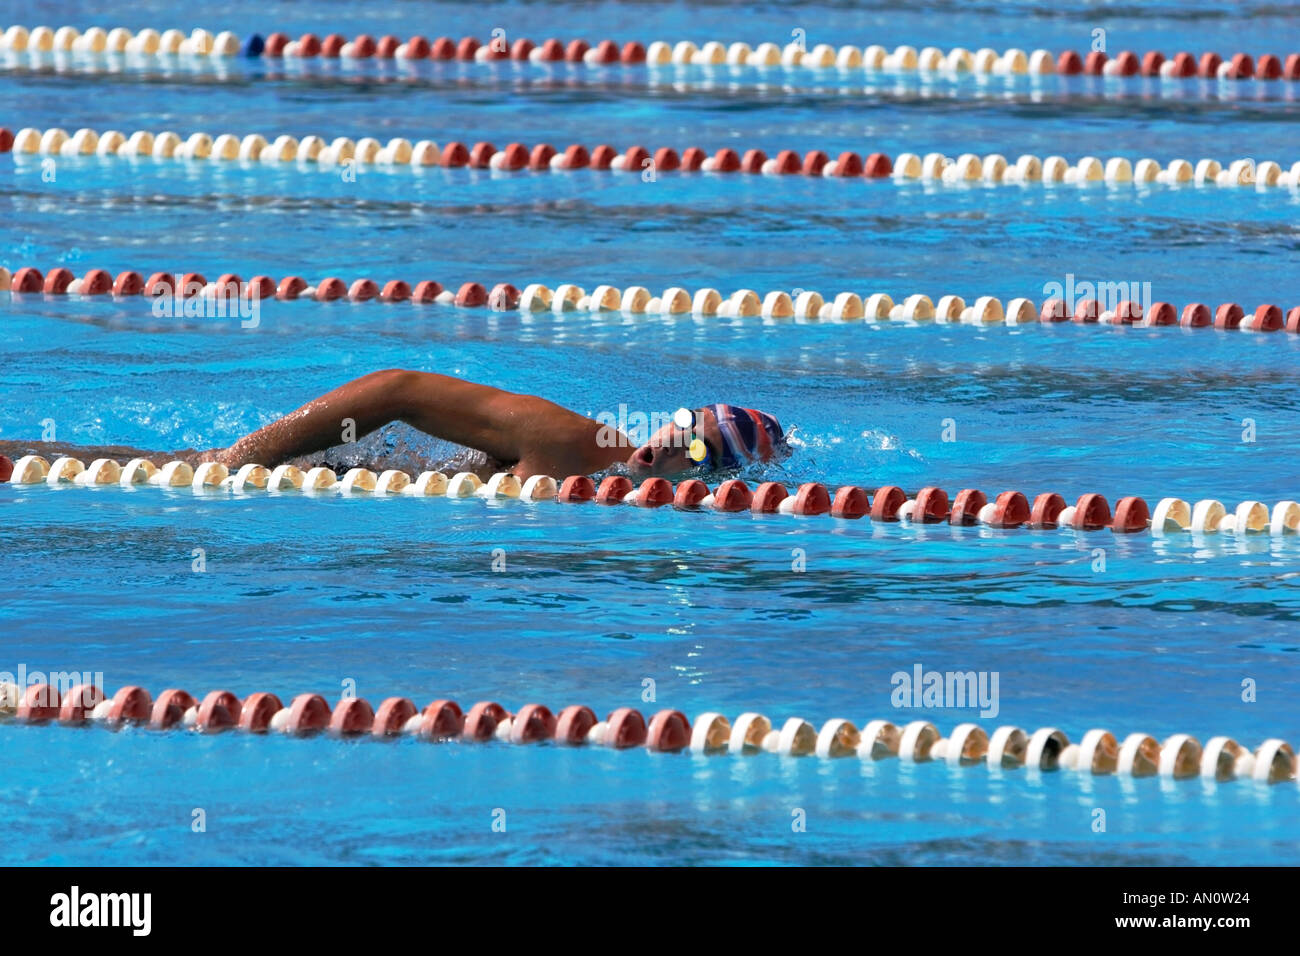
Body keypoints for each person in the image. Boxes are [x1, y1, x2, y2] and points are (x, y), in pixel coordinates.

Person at [0, 369, 788, 482]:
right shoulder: (567, 439)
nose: (666, 442)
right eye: (678, 423)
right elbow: (396, 386)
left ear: (702, 475)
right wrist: (245, 456)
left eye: (694, 447)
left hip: (372, 495)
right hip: (318, 476)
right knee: (163, 467)